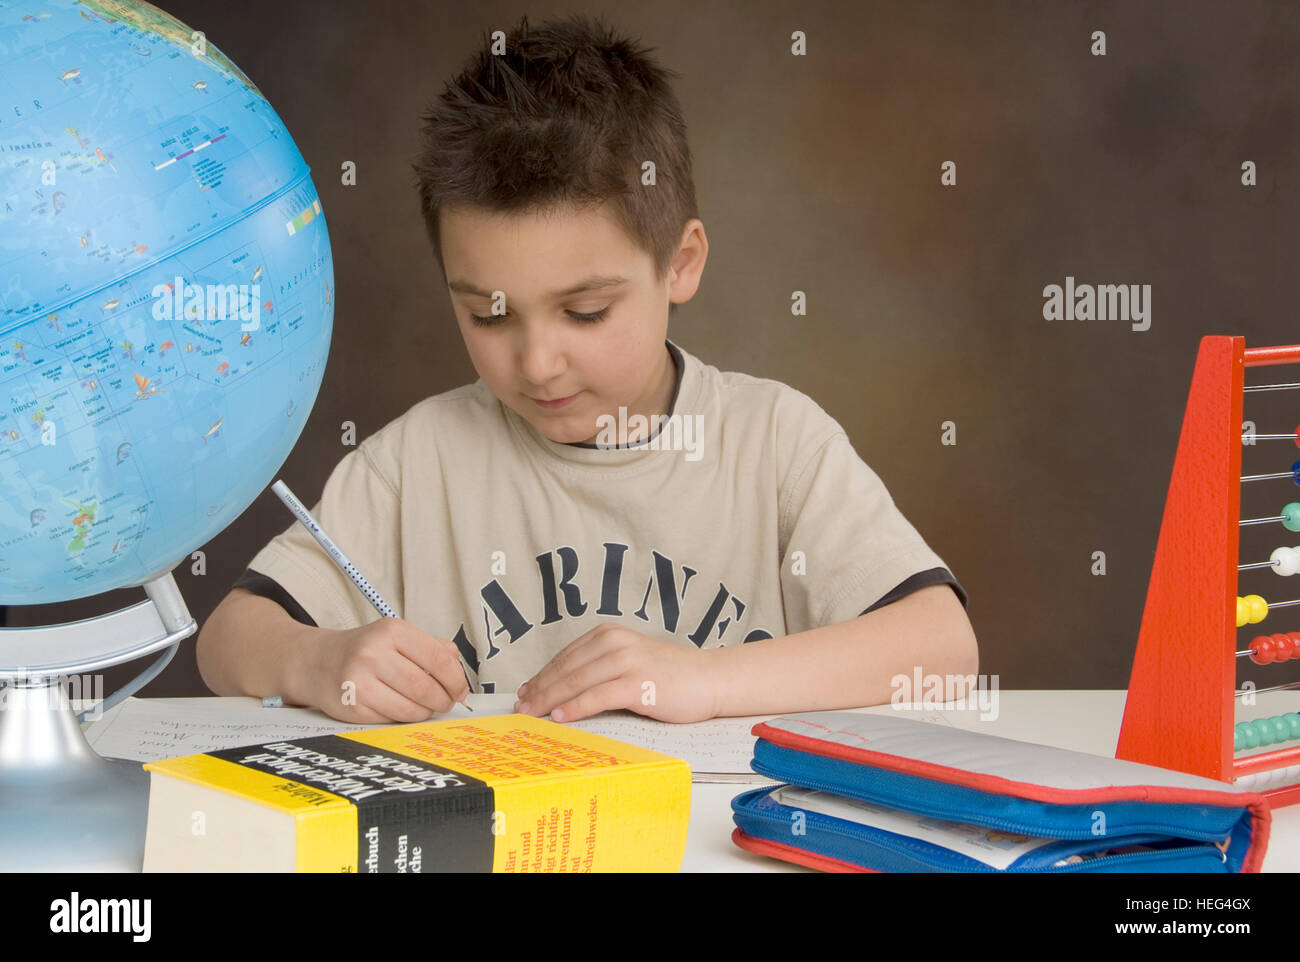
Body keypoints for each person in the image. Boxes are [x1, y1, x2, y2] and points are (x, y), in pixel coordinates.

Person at [196, 13, 978, 726]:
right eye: (490, 314)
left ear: (681, 264)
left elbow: (943, 649)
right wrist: (317, 659)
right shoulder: (414, 465)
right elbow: (227, 640)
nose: (537, 362)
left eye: (587, 312)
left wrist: (701, 681)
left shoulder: (774, 442)